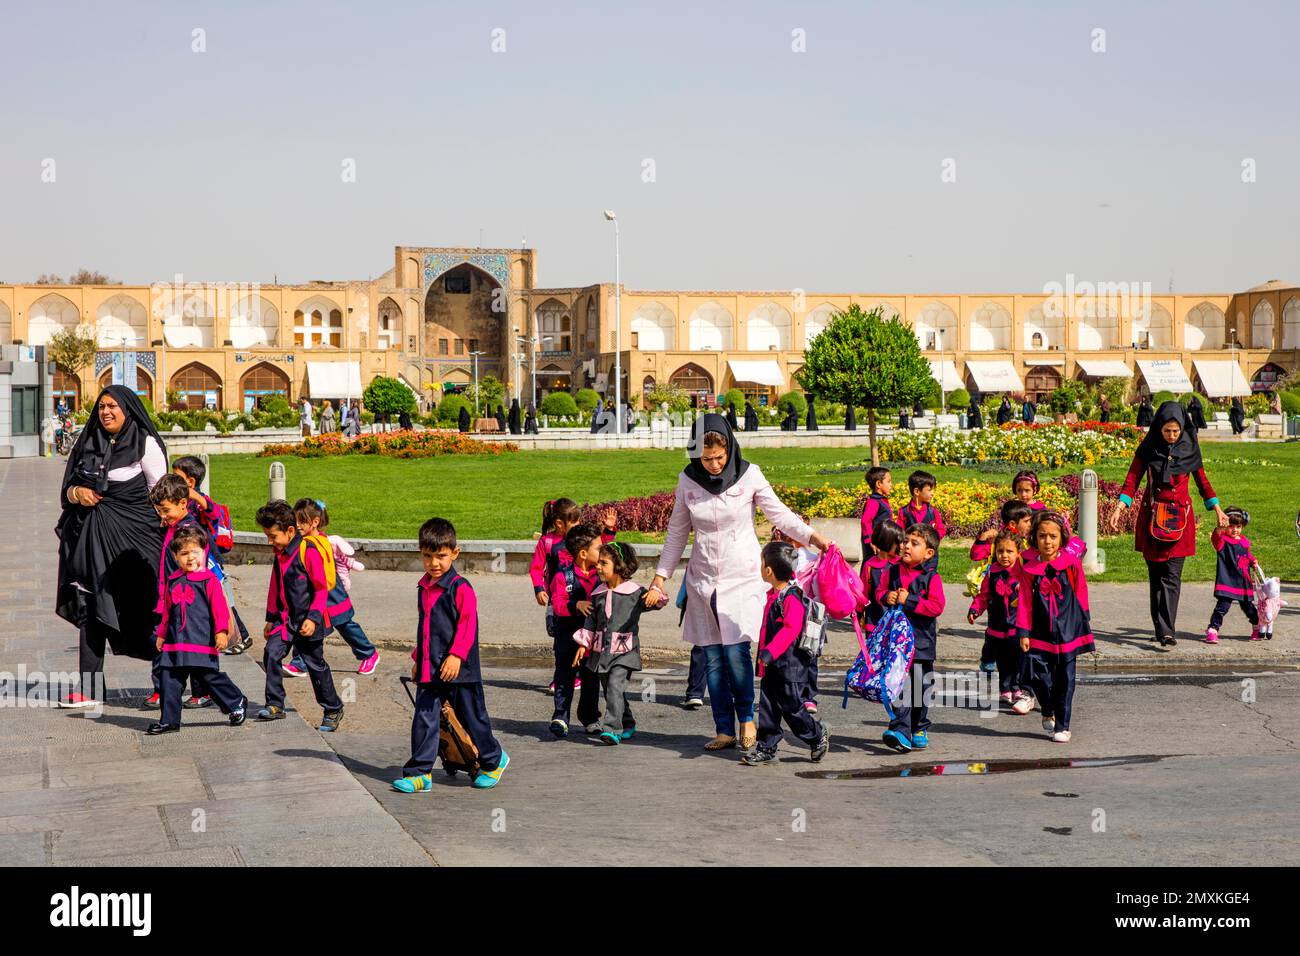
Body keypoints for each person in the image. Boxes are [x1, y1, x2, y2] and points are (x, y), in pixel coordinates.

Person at [648, 414, 830, 751]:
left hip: (743, 578)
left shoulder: (749, 475)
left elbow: (780, 515)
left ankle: (746, 718)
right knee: (713, 658)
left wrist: (813, 538)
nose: (715, 465)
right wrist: (661, 577)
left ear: (730, 448)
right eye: (706, 458)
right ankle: (724, 728)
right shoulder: (688, 481)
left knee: (736, 654)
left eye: (720, 457)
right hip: (703, 579)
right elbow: (677, 532)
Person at [55, 386, 168, 708]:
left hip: (133, 546)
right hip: (90, 542)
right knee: (91, 606)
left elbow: (160, 497)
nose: (106, 412)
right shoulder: (88, 442)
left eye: (113, 406)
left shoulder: (144, 443)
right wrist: (78, 493)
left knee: (145, 609)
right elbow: (68, 489)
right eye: (101, 406)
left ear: (128, 409)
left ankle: (170, 679)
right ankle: (90, 688)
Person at [392, 517, 509, 792]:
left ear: (455, 554)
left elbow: (467, 626)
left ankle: (494, 760)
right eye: (428, 556)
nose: (434, 563)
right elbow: (426, 628)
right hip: (430, 668)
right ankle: (420, 772)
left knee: (472, 718)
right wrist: (418, 659)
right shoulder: (424, 588)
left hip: (462, 670)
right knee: (425, 716)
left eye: (441, 556)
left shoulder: (461, 588)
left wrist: (456, 656)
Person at [1111, 401, 1227, 646]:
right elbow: (1132, 479)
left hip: (1180, 521)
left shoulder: (1190, 448)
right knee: (1156, 577)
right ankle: (1160, 626)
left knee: (1172, 576)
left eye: (1176, 431)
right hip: (1152, 517)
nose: (1172, 436)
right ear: (1158, 429)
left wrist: (1217, 509)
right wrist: (1120, 507)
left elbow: (1202, 482)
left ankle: (1167, 631)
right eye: (1167, 431)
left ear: (1183, 428)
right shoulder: (1149, 448)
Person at [254, 500, 345, 730]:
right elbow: (276, 586)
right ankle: (275, 704)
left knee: (315, 665)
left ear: (290, 531)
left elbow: (321, 589)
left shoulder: (308, 551)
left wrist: (313, 619)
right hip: (285, 621)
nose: (270, 541)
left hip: (309, 622)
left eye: (273, 536)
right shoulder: (280, 551)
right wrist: (271, 618)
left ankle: (332, 708)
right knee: (271, 654)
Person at [149, 525, 247, 735]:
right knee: (169, 679)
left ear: (204, 553)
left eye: (196, 552)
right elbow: (167, 610)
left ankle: (235, 701)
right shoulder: (173, 580)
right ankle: (169, 720)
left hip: (201, 640)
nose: (191, 557)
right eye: (184, 553)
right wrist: (162, 633)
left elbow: (220, 609)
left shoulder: (209, 580)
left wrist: (221, 631)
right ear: (175, 556)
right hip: (175, 642)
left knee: (208, 677)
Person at [740, 541, 831, 766]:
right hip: (773, 666)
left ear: (768, 570)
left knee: (791, 708)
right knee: (768, 709)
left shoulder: (791, 597)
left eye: (762, 563)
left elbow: (791, 629)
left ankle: (816, 734)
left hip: (789, 667)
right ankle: (767, 746)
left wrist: (769, 652)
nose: (760, 567)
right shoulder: (774, 594)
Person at [573, 542, 663, 745]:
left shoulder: (634, 592)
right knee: (614, 690)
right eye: (599, 563)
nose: (598, 567)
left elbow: (655, 602)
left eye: (604, 563)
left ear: (619, 566)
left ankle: (612, 729)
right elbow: (591, 622)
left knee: (614, 686)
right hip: (601, 653)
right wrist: (583, 645)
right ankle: (628, 722)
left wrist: (655, 594)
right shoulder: (597, 594)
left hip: (625, 651)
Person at [1016, 511, 1093, 743]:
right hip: (1040, 631)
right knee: (1038, 675)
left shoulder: (1071, 564)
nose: (1047, 541)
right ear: (1034, 539)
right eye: (1042, 536)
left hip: (1069, 628)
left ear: (1061, 539)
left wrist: (1084, 619)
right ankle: (1047, 707)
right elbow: (1024, 601)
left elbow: (1081, 590)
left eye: (1052, 536)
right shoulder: (1029, 569)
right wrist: (1023, 631)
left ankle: (1063, 724)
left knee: (1066, 679)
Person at [285, 499, 380, 676]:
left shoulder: (321, 542)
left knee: (345, 625)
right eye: (295, 521)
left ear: (315, 522)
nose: (297, 525)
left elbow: (328, 572)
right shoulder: (304, 542)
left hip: (331, 594)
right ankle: (300, 662)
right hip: (314, 595)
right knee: (307, 626)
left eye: (302, 521)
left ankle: (369, 653)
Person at [170, 455, 252, 659]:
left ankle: (241, 636)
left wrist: (194, 496)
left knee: (224, 600)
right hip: (197, 560)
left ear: (190, 482)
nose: (172, 478)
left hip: (209, 560)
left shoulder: (197, 502)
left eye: (176, 476)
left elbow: (213, 512)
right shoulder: (184, 502)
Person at [877, 523, 946, 753]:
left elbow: (937, 606)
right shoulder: (893, 570)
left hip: (922, 642)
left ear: (928, 553)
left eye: (914, 543)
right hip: (897, 643)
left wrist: (910, 601)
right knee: (900, 685)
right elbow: (879, 591)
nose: (906, 546)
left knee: (922, 686)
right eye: (905, 541)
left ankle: (919, 727)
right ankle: (900, 730)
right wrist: (887, 596)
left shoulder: (931, 578)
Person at [547, 524, 605, 737]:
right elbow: (558, 604)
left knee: (591, 678)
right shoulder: (564, 576)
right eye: (598, 548)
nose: (603, 551)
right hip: (567, 636)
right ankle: (561, 716)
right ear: (583, 554)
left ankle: (590, 717)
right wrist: (575, 605)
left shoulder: (601, 573)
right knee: (564, 676)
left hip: (592, 638)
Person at [967, 529, 1027, 710]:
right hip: (997, 624)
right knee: (1002, 659)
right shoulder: (992, 572)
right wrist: (975, 609)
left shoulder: (1023, 572)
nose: (1004, 556)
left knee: (1018, 658)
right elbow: (984, 594)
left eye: (1009, 552)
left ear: (1018, 553)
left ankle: (1018, 688)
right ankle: (1005, 689)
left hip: (1017, 624)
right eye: (1000, 551)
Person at [1205, 506, 1261, 643]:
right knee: (1222, 607)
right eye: (1231, 526)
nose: (1235, 529)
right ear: (1226, 526)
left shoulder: (1243, 541)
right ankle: (1213, 630)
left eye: (1238, 526)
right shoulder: (1222, 541)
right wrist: (1220, 527)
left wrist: (1253, 561)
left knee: (1249, 608)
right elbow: (1216, 537)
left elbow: (1246, 554)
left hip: (1243, 581)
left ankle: (1257, 627)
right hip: (1227, 581)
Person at [894, 470, 946, 571]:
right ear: (917, 491)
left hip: (929, 556)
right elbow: (899, 532)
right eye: (929, 490)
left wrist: (931, 539)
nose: (932, 493)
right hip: (911, 555)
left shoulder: (933, 512)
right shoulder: (904, 512)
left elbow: (941, 530)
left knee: (927, 580)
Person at [860, 522, 904, 643]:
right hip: (874, 619)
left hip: (896, 620)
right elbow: (862, 593)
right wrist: (859, 614)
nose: (901, 546)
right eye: (898, 542)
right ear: (888, 542)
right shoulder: (869, 566)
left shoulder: (901, 564)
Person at [859, 466, 894, 558]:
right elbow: (865, 521)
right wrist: (870, 540)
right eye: (889, 481)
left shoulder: (881, 500)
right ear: (878, 484)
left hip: (883, 541)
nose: (891, 485)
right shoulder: (873, 502)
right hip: (875, 545)